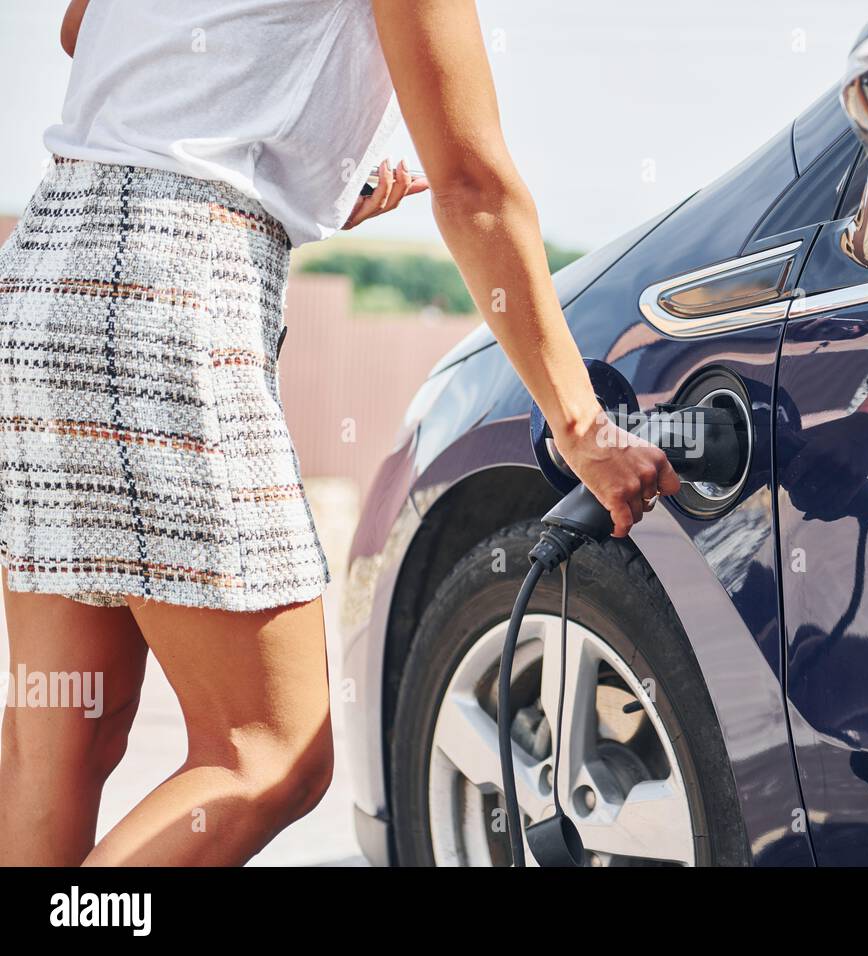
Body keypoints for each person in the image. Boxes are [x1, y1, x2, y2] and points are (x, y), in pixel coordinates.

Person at [0, 0, 678, 866]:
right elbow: (470, 186)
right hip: (168, 279)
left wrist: (291, 169)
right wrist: (580, 422)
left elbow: (80, 30)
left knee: (59, 735)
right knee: (269, 755)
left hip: (48, 259)